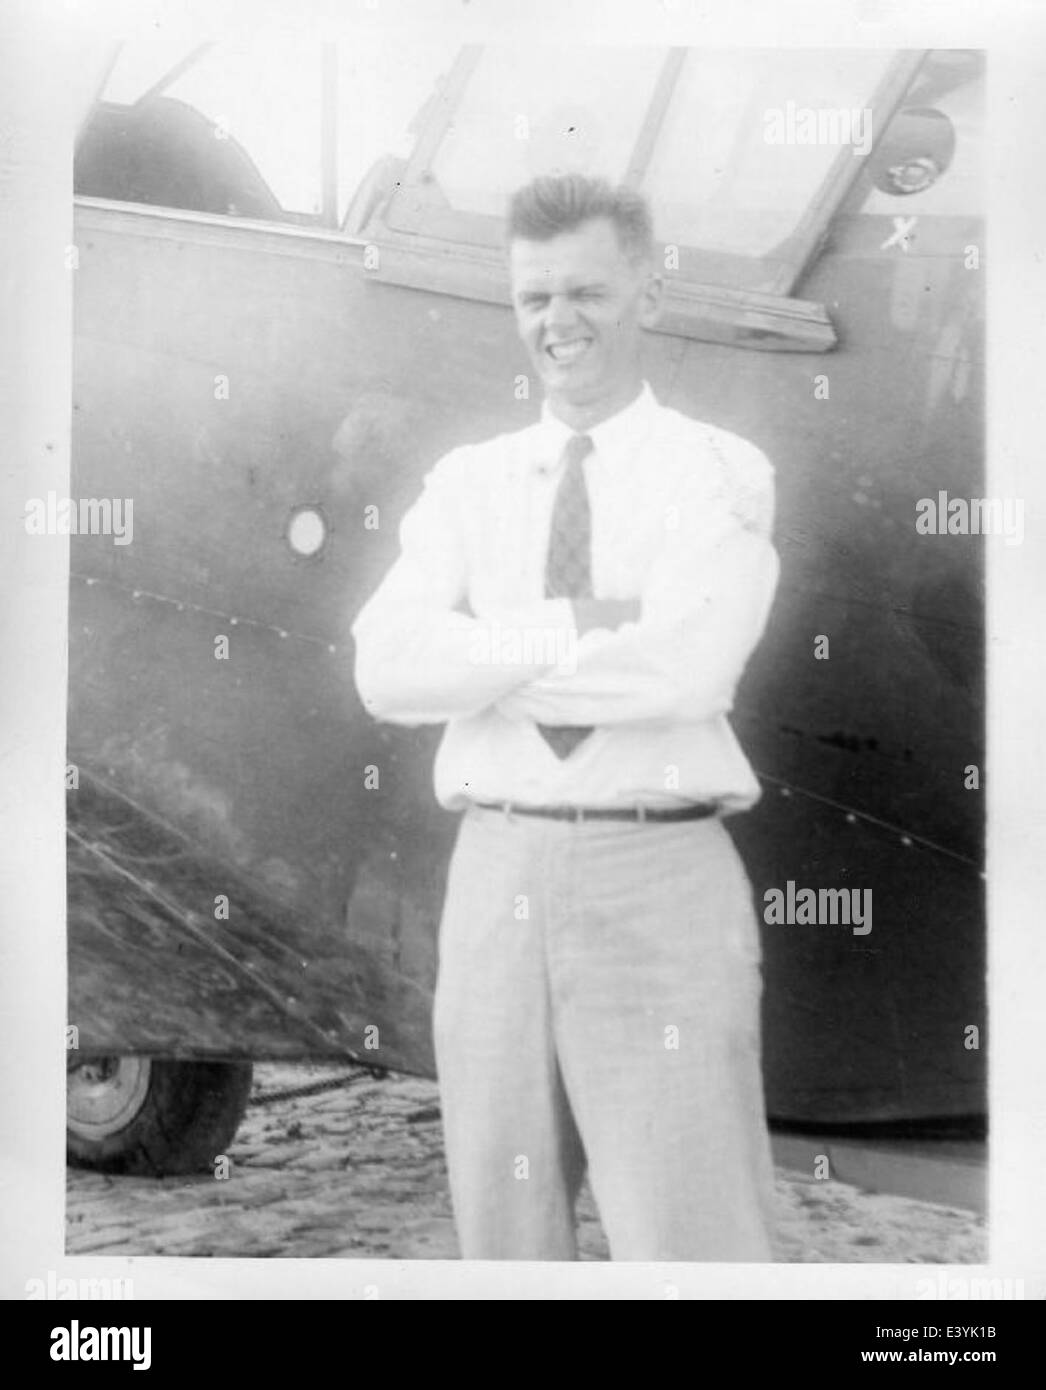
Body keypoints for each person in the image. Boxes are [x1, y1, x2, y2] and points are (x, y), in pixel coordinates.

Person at [352, 172, 780, 1261]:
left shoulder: (717, 473)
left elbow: (683, 674)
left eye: (585, 291)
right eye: (535, 298)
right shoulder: (468, 481)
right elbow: (384, 668)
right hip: (494, 878)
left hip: (657, 883)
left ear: (647, 287)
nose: (559, 322)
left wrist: (483, 654)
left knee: (694, 1251)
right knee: (503, 1251)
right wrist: (577, 624)